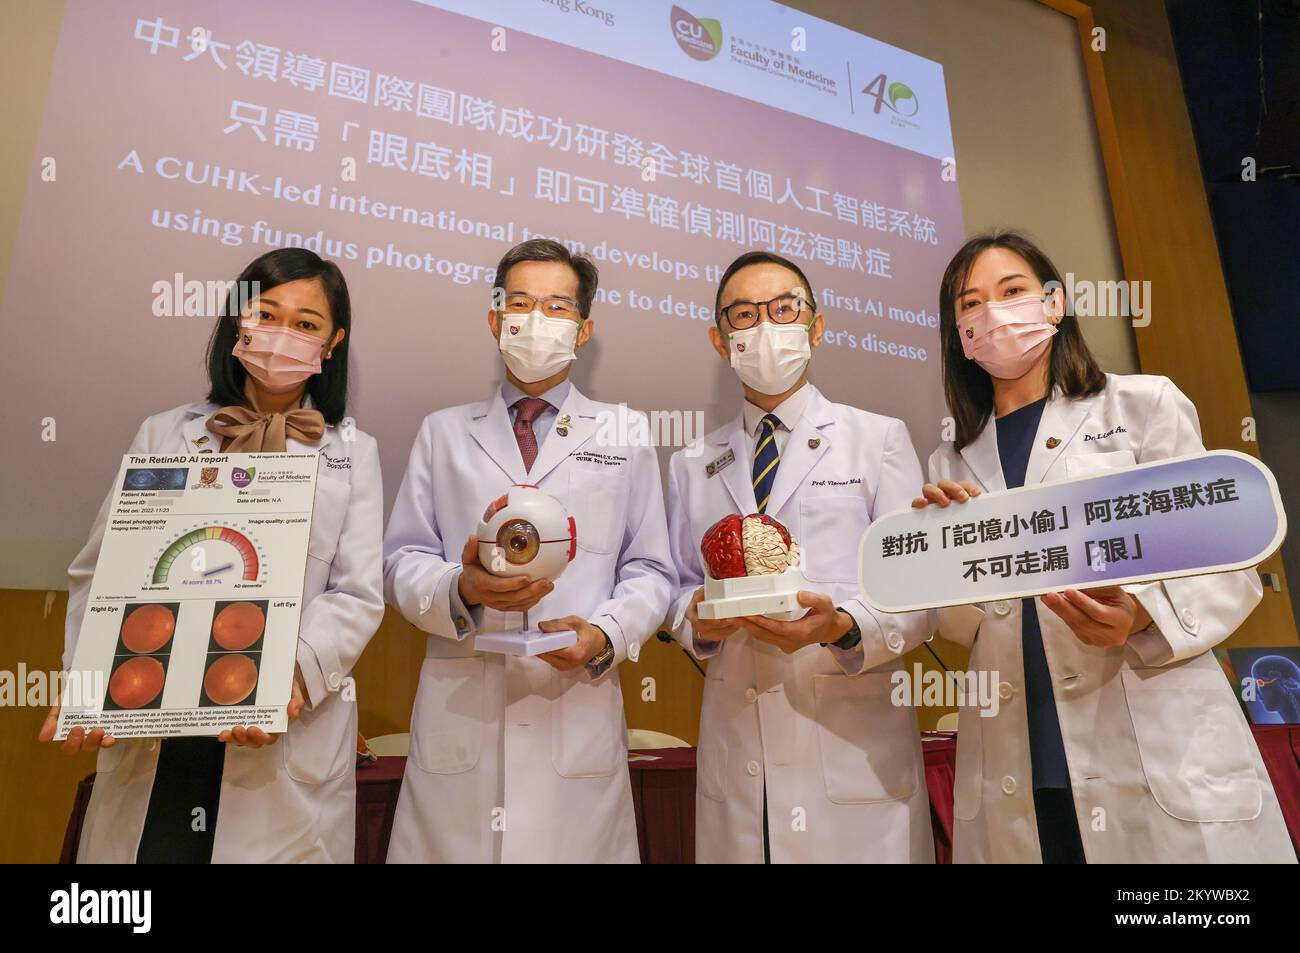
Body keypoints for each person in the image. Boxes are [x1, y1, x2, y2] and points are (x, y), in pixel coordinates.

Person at [916, 229, 1294, 863]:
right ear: (960, 334)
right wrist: (944, 561)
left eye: (1012, 291)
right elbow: (959, 628)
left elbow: (1230, 566)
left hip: (1152, 741)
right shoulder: (950, 458)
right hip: (1022, 761)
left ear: (1055, 304)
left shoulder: (1142, 405)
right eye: (969, 304)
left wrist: (1142, 612)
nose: (992, 314)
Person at [40, 247, 385, 863]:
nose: (283, 335)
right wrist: (92, 683)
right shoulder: (165, 433)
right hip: (155, 719)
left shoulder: (353, 453)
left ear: (332, 343)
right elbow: (102, 569)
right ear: (235, 324)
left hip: (273, 724)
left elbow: (357, 593)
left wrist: (293, 677)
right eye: (266, 314)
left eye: (305, 324)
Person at [383, 238, 674, 863]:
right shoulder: (443, 432)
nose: (537, 320)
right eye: (520, 303)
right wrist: (462, 589)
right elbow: (402, 560)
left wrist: (603, 634)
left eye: (558, 307)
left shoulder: (625, 432)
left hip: (575, 713)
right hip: (462, 716)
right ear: (494, 319)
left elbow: (651, 568)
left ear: (585, 328)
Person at [666, 251, 934, 863]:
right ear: (720, 339)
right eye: (743, 314)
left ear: (815, 327)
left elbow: (919, 593)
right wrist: (697, 622)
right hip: (740, 752)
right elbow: (678, 586)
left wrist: (842, 626)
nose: (764, 328)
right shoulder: (692, 462)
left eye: (783, 310)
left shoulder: (877, 438)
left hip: (850, 742)